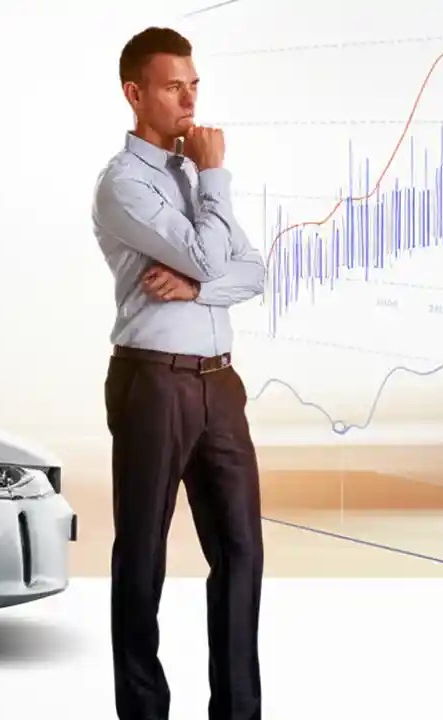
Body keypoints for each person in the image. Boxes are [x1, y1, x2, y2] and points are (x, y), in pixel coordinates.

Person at [91, 26, 267, 720]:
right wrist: (217, 179)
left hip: (219, 382)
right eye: (173, 86)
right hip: (153, 382)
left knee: (242, 554)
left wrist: (199, 288)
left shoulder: (193, 178)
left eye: (195, 85)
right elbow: (209, 252)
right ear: (136, 94)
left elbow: (248, 270)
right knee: (143, 555)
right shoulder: (124, 186)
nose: (190, 98)